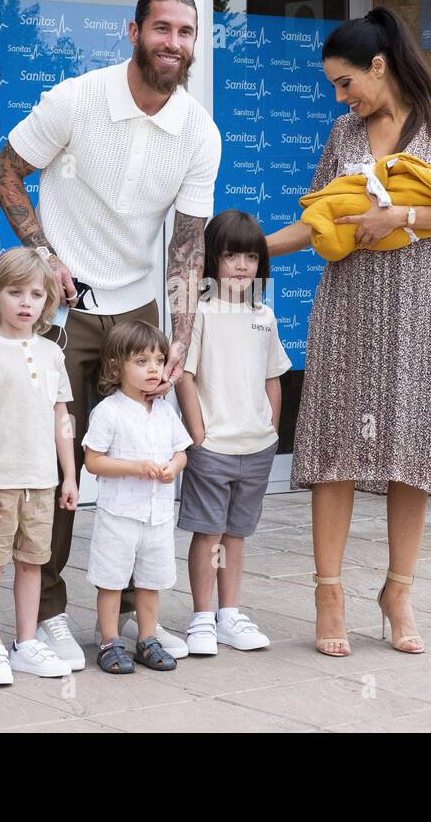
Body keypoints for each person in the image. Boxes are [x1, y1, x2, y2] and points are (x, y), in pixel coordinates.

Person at [0, 0, 221, 668]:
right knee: (56, 460)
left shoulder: (199, 133)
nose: (173, 43)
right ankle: (51, 613)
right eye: (162, 29)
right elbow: (5, 172)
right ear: (134, 31)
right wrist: (44, 255)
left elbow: (187, 244)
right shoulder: (77, 100)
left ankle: (131, 617)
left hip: (138, 312)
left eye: (185, 32)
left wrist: (181, 336)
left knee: (142, 467)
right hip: (63, 312)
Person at [265, 7, 431, 658]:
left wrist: (402, 215)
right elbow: (317, 219)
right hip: (350, 304)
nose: (341, 97)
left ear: (379, 66)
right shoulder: (343, 134)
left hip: (422, 304)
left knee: (410, 450)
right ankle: (328, 592)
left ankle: (398, 591)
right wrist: (247, 248)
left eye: (345, 82)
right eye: (335, 87)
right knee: (337, 442)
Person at [0, 247, 80, 684]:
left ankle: (26, 643)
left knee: (32, 563)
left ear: (49, 301)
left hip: (42, 483)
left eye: (36, 294)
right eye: (15, 292)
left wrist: (69, 475)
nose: (26, 303)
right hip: (1, 483)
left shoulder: (52, 354)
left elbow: (62, 417)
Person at [174, 210, 291, 655]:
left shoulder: (265, 316)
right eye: (230, 256)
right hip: (213, 446)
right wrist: (198, 435)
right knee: (207, 533)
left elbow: (272, 377)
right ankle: (202, 617)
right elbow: (185, 374)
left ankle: (229, 614)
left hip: (256, 445)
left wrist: (272, 430)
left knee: (237, 534)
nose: (241, 266)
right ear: (211, 261)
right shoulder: (200, 313)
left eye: (250, 256)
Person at [82, 321, 193, 674]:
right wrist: (134, 467)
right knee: (112, 580)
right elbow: (93, 460)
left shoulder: (164, 410)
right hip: (119, 515)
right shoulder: (108, 412)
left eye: (159, 361)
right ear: (117, 367)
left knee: (151, 581)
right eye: (142, 361)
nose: (154, 369)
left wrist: (174, 467)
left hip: (156, 516)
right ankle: (110, 641)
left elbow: (182, 451)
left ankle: (147, 639)